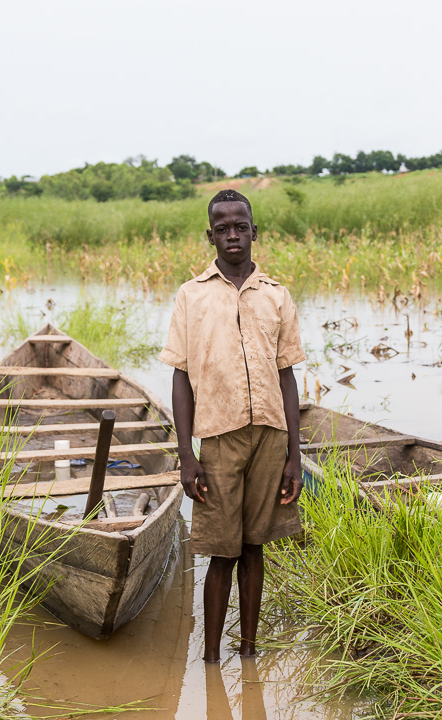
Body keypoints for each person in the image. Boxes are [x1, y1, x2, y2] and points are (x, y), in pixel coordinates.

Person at [159, 188, 306, 663]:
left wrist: (295, 456)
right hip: (219, 439)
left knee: (254, 546)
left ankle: (248, 651)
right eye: (222, 229)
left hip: (270, 437)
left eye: (241, 227)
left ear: (254, 231)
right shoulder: (192, 295)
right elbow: (181, 377)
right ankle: (210, 659)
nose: (233, 235)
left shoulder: (276, 295)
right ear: (211, 236)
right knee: (222, 552)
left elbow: (286, 377)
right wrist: (186, 455)